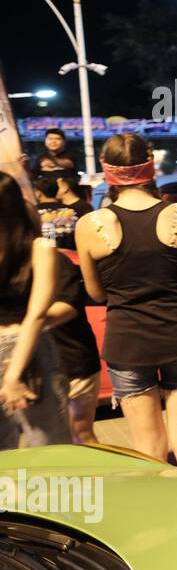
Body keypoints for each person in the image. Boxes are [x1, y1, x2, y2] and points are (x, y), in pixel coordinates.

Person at [74, 134, 177, 468]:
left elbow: (95, 293)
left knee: (149, 447)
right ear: (150, 166)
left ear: (108, 171)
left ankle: (162, 519)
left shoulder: (89, 225)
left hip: (127, 346)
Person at [0, 171, 68, 450]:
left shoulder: (39, 249)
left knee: (48, 452)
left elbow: (36, 316)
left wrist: (13, 374)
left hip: (29, 352)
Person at [45, 250, 103, 445]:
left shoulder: (52, 260)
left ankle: (95, 475)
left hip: (71, 364)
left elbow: (68, 306)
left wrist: (25, 322)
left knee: (79, 433)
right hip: (30, 368)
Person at [34, 173, 91, 250]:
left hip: (44, 257)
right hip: (72, 256)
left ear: (38, 193)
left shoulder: (34, 212)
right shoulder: (72, 211)